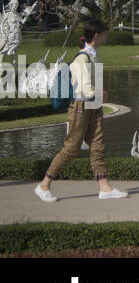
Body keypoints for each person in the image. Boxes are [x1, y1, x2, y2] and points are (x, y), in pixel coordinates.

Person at [35, 19, 128, 202]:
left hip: (92, 106)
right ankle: (44, 184)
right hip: (80, 107)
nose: (107, 36)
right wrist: (101, 95)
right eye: (104, 33)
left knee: (97, 146)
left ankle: (104, 187)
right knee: (71, 148)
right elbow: (84, 88)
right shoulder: (82, 58)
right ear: (96, 35)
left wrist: (99, 103)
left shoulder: (94, 55)